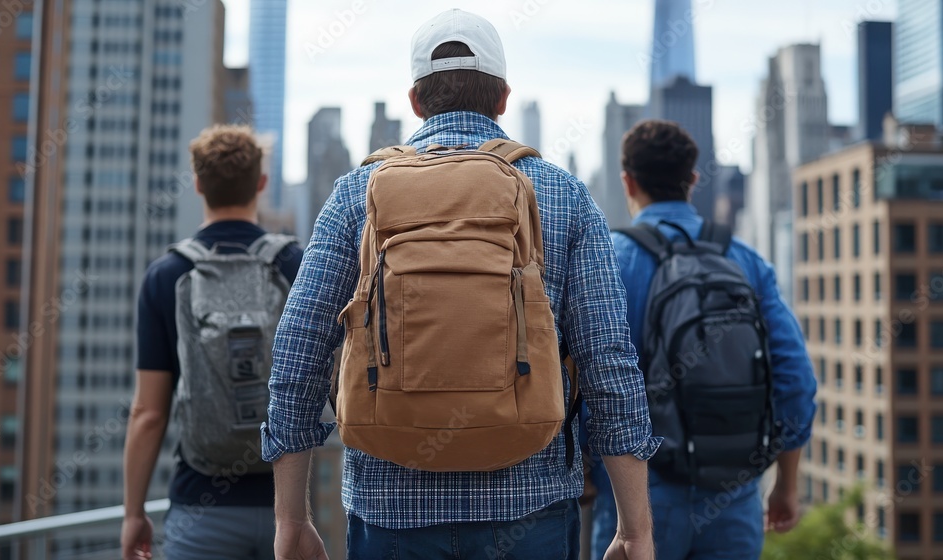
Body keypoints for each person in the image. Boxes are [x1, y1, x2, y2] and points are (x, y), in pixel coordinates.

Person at [262, 9, 661, 560]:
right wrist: (634, 527)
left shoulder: (357, 194)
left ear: (415, 101)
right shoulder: (564, 196)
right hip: (531, 511)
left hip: (389, 513)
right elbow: (608, 362)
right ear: (502, 98)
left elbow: (298, 350)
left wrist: (291, 517)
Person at [589, 120, 817, 560]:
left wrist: (584, 471)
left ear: (627, 181)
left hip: (636, 500)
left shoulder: (608, 259)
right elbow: (796, 381)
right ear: (693, 180)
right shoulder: (745, 259)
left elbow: (578, 375)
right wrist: (786, 485)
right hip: (733, 491)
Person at [122, 125, 302, 560]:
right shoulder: (293, 263)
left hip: (202, 506)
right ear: (261, 183)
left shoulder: (167, 275)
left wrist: (133, 513)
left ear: (198, 184)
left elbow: (149, 413)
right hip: (292, 508)